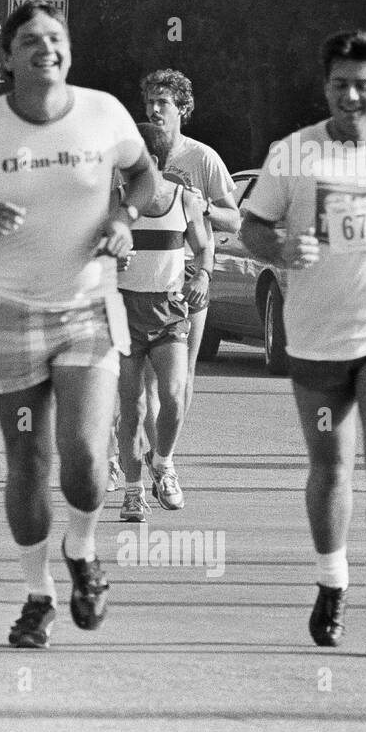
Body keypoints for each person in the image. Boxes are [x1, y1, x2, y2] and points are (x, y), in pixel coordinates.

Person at [0, 2, 153, 648]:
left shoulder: (104, 113)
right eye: (30, 41)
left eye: (55, 38)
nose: (45, 49)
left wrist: (122, 220)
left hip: (88, 305)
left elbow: (142, 174)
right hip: (9, 308)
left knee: (85, 457)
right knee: (28, 460)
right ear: (8, 57)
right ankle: (37, 595)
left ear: (69, 51)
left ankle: (82, 551)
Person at [240, 30, 366, 650]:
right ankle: (332, 586)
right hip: (318, 338)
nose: (351, 96)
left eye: (363, 84)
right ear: (326, 87)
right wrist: (278, 247)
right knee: (330, 465)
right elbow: (252, 227)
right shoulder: (293, 154)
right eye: (339, 85)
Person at [135, 70, 240, 466]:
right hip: (144, 278)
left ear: (182, 108)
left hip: (189, 277)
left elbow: (235, 219)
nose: (154, 108)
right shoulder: (138, 153)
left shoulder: (201, 157)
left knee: (181, 375)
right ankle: (152, 449)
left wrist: (203, 206)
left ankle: (166, 455)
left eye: (163, 102)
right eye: (150, 102)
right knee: (146, 375)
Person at [115, 123, 213, 520]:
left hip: (169, 313)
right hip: (122, 313)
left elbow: (204, 248)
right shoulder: (115, 201)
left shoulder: (184, 200)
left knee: (173, 395)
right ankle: (133, 491)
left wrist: (203, 276)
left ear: (152, 162)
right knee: (132, 405)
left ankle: (164, 462)